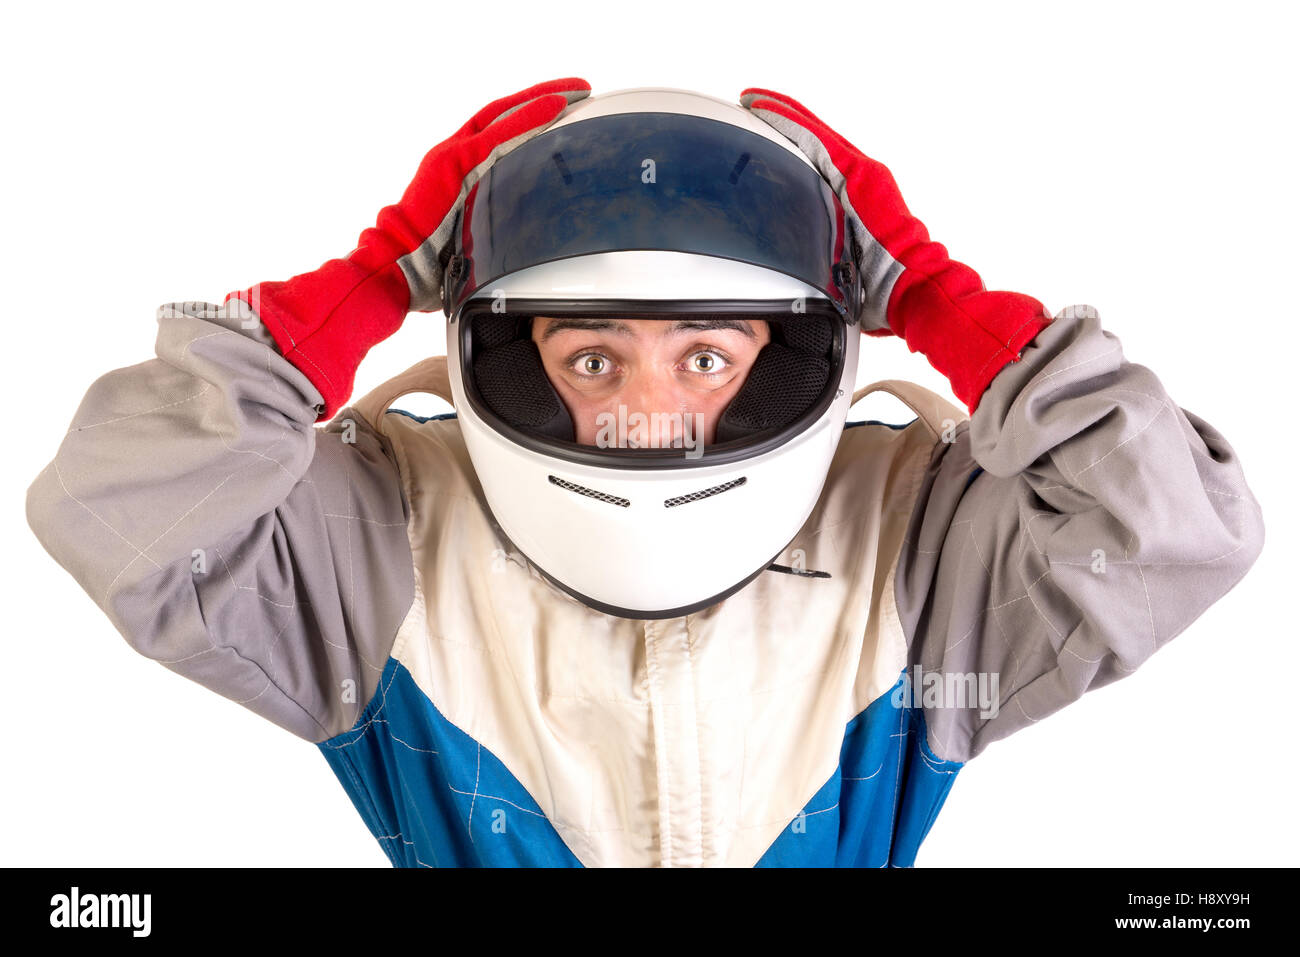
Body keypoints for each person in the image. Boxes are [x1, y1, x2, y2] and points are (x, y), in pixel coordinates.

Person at [25, 79, 1266, 867]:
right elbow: (121, 504)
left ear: (793, 356)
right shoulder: (381, 526)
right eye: (592, 356)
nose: (649, 408)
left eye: (708, 355)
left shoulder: (918, 532)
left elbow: (1170, 535)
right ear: (505, 352)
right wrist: (371, 279)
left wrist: (945, 304)